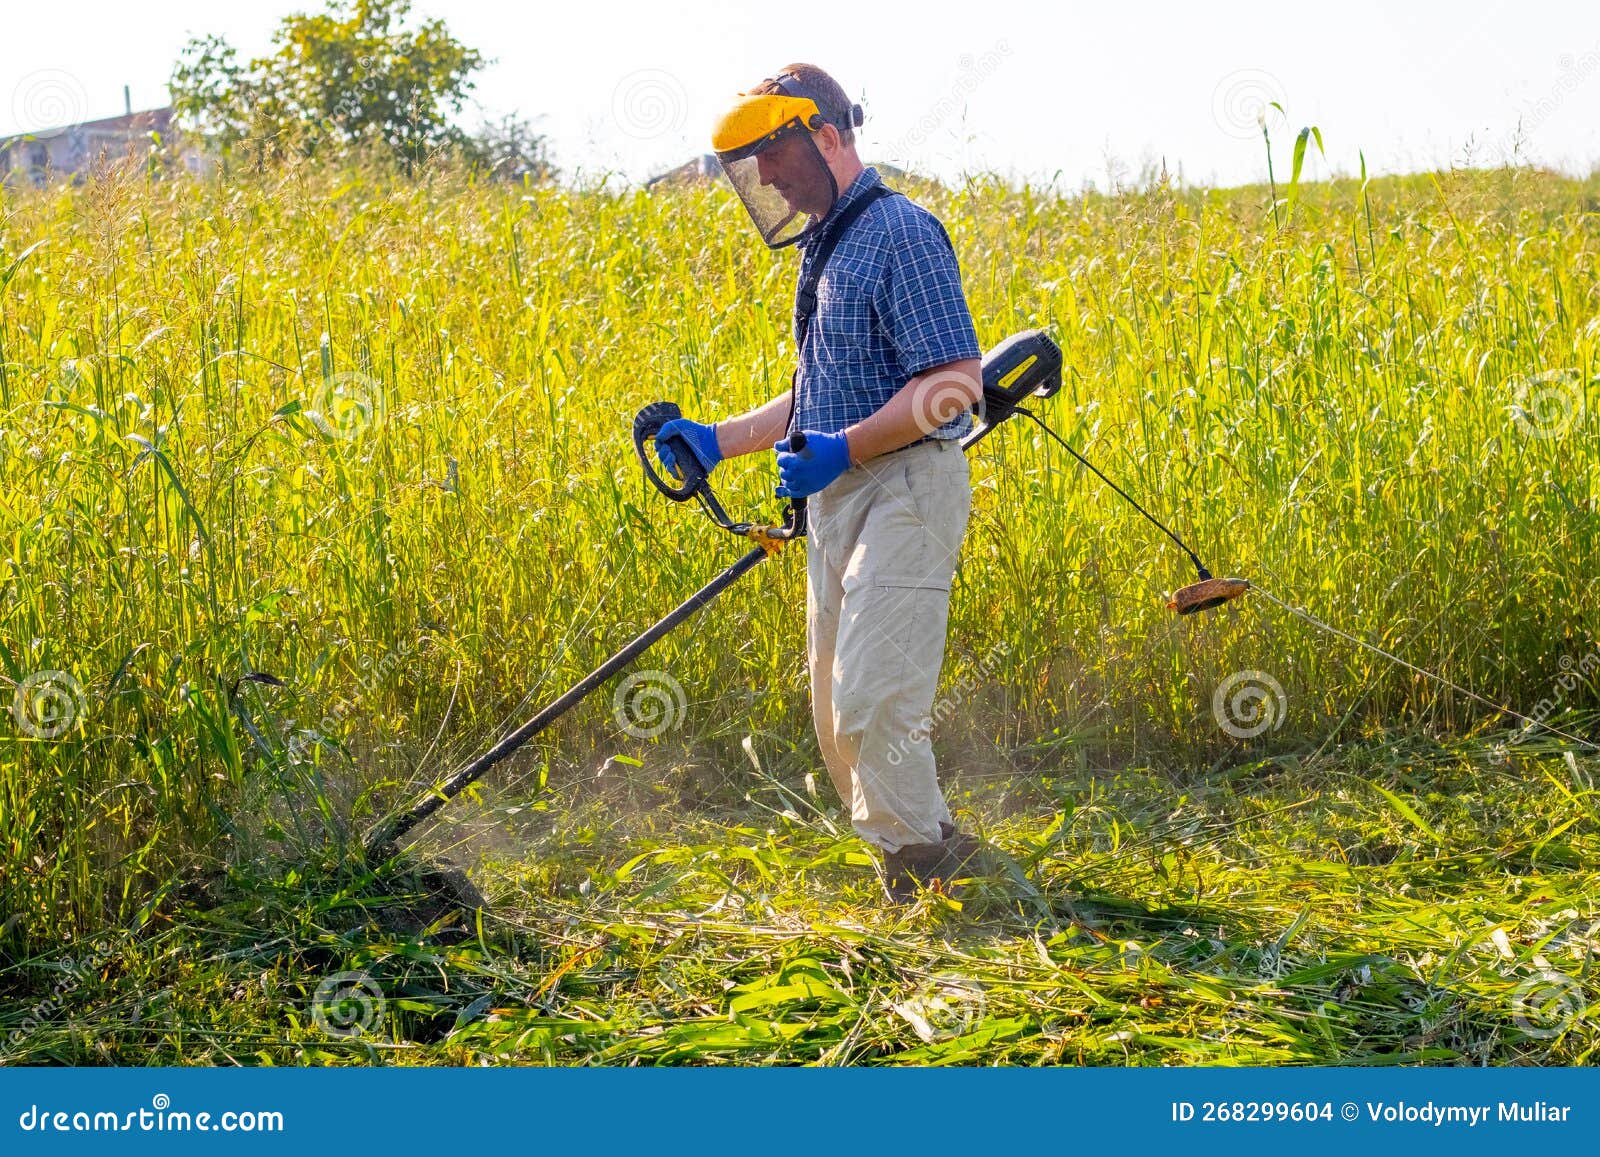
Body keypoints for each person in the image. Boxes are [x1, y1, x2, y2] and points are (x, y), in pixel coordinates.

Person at [655, 63, 985, 903]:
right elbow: (819, 386)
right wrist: (715, 441)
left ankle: (929, 880)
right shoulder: (828, 247)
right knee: (837, 713)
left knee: (874, 695)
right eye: (753, 168)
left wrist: (845, 447)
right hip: (842, 499)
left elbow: (953, 385)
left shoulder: (900, 232)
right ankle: (932, 848)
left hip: (905, 487)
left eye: (773, 158)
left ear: (828, 137)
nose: (763, 179)